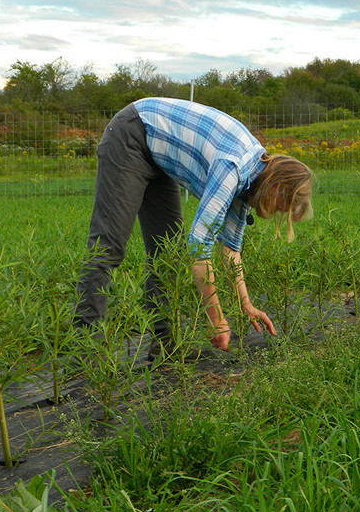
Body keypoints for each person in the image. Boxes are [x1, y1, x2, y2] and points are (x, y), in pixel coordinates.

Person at [73, 97, 313, 359]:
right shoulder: (232, 168)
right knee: (107, 247)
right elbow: (199, 247)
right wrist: (217, 318)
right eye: (282, 206)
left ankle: (164, 347)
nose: (277, 213)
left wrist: (247, 304)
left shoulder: (251, 181)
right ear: (277, 187)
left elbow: (230, 251)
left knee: (167, 251)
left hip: (158, 154)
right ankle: (85, 354)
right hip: (132, 134)